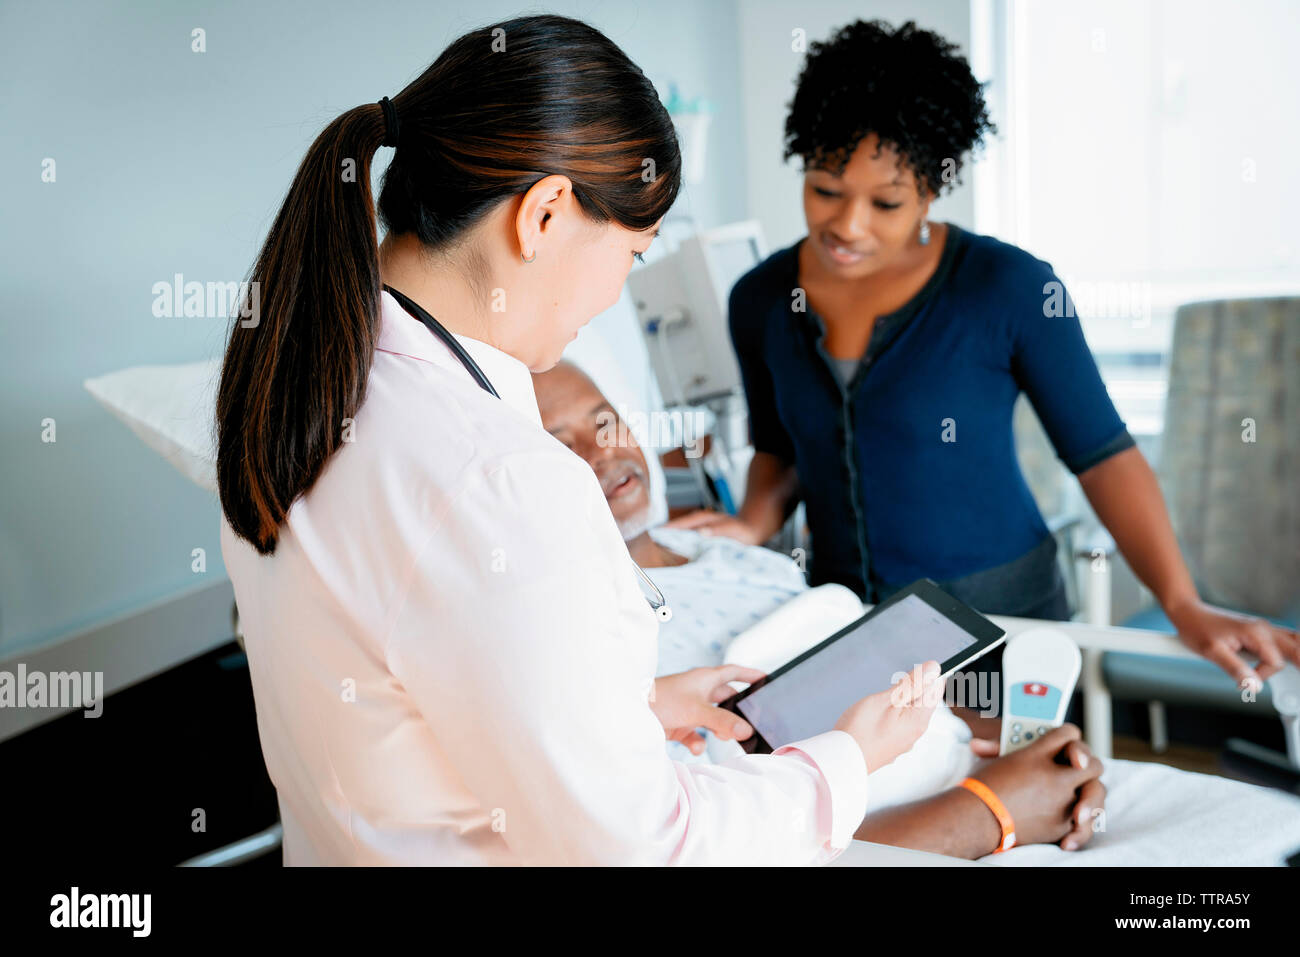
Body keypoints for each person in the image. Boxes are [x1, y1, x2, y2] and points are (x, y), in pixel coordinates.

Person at [215, 14, 938, 866]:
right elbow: (647, 849)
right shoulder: (501, 478)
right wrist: (847, 758)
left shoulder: (292, 392)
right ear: (547, 212)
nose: (610, 300)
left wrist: (630, 707)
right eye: (631, 255)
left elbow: (401, 701)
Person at [669, 18, 1300, 691]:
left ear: (932, 191)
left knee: (1011, 791)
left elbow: (1104, 454)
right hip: (845, 629)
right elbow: (780, 449)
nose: (847, 226)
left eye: (886, 202)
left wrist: (1180, 600)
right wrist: (750, 521)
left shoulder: (1010, 289)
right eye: (826, 190)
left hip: (1004, 625)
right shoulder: (760, 299)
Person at [534, 359, 1300, 864]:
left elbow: (874, 672)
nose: (603, 452)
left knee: (1277, 832)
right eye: (558, 443)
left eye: (604, 421)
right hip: (918, 830)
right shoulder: (587, 627)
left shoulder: (728, 554)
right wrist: (995, 808)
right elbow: (736, 841)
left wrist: (1022, 752)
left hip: (987, 774)